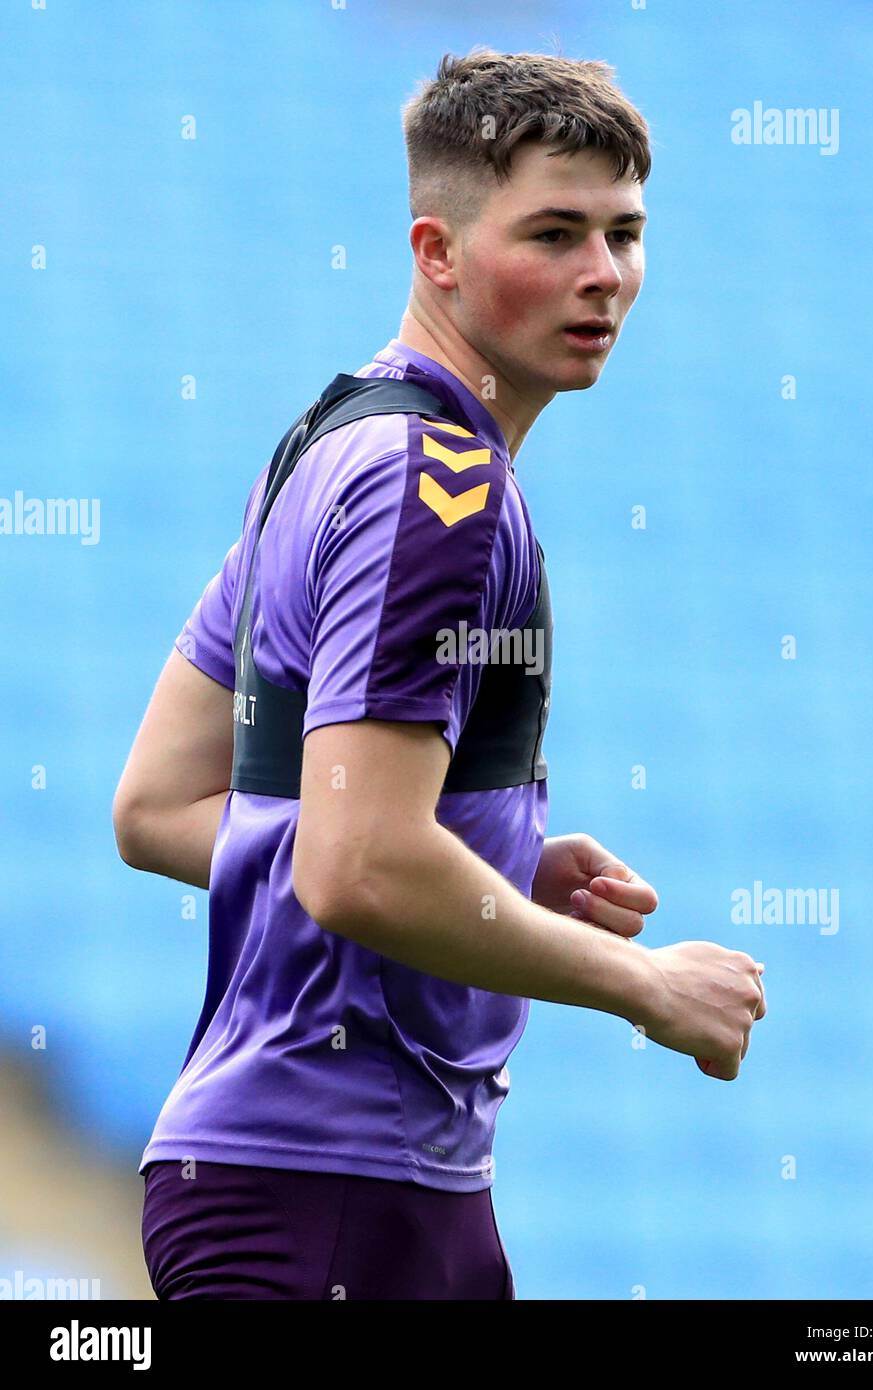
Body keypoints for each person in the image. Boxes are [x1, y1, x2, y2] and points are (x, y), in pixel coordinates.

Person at [113, 47, 766, 1302]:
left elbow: (164, 809)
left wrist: (496, 868)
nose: (603, 276)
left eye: (624, 233)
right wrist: (645, 986)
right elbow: (354, 864)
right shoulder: (436, 492)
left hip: (363, 1190)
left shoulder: (329, 440)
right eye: (555, 232)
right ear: (437, 252)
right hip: (326, 1196)